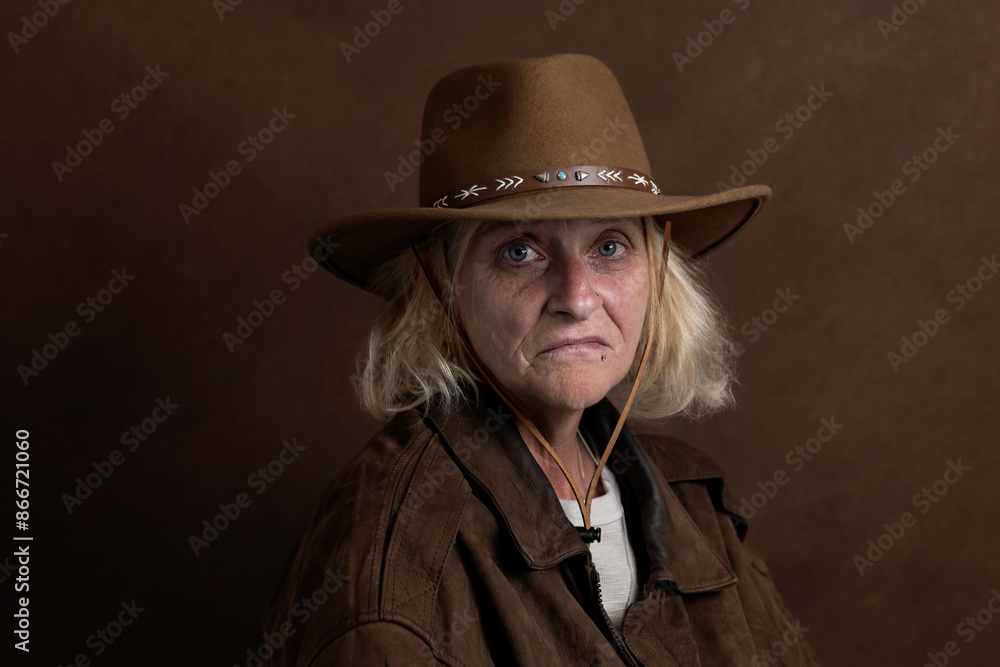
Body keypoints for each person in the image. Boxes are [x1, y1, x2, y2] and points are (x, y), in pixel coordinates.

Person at [262, 53, 819, 666]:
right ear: (436, 285)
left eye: (610, 246)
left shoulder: (688, 499)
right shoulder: (394, 563)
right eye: (520, 251)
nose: (578, 298)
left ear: (657, 271)